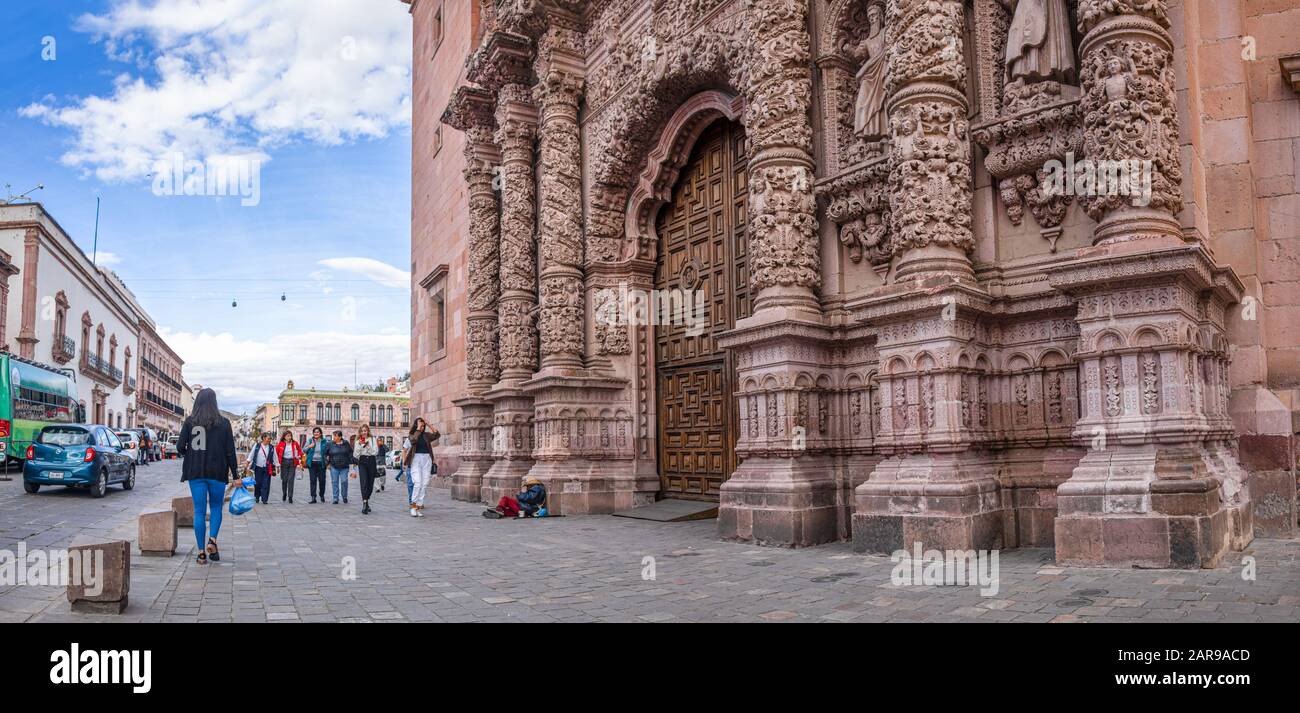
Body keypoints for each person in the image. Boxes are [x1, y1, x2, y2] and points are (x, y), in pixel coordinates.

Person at [177, 388, 240, 564]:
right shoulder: (224, 423)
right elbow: (230, 452)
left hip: (196, 472)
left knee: (199, 511)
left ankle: (201, 553)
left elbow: (180, 447)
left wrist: (192, 453)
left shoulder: (190, 422)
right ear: (214, 402)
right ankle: (212, 539)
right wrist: (236, 475)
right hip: (217, 472)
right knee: (216, 508)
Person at [403, 417, 440, 518]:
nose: (422, 427)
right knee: (417, 483)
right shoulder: (412, 435)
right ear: (416, 425)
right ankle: (413, 506)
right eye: (420, 425)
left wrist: (429, 424)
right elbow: (414, 440)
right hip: (416, 460)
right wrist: (418, 429)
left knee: (424, 484)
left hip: (426, 459)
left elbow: (437, 435)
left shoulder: (426, 436)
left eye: (423, 425)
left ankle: (418, 507)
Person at [351, 425, 380, 515]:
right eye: (362, 431)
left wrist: (367, 446)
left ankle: (367, 500)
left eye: (365, 431)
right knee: (363, 483)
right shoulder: (357, 441)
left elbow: (375, 452)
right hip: (362, 461)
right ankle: (364, 503)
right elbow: (356, 455)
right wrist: (360, 445)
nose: (364, 432)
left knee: (370, 484)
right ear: (360, 432)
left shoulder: (372, 439)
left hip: (371, 461)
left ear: (368, 431)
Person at [246, 433, 277, 504]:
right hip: (258, 467)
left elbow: (275, 457)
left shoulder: (272, 447)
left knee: (266, 484)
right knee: (258, 483)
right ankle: (257, 496)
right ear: (263, 438)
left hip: (267, 468)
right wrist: (247, 463)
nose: (269, 440)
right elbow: (251, 454)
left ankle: (264, 499)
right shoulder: (257, 446)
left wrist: (277, 466)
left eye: (270, 438)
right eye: (268, 438)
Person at [325, 430, 353, 505]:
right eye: (333, 436)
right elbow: (325, 454)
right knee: (334, 482)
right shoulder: (330, 444)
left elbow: (350, 453)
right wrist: (327, 463)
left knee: (344, 481)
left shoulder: (346, 443)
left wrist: (353, 463)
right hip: (334, 466)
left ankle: (344, 496)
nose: (334, 437)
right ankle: (335, 498)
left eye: (335, 436)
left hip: (344, 467)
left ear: (340, 437)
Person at [303, 427, 329, 504]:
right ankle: (313, 497)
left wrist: (328, 459)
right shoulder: (310, 441)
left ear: (320, 433)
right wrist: (310, 446)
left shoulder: (324, 442)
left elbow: (328, 452)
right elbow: (303, 450)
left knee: (322, 480)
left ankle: (322, 495)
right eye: (315, 432)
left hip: (321, 463)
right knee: (313, 480)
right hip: (312, 463)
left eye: (318, 432)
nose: (316, 433)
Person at [276, 430, 303, 503]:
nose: (289, 437)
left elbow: (300, 451)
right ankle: (284, 493)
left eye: (290, 436)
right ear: (284, 437)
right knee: (284, 480)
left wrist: (299, 456)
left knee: (291, 480)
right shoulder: (281, 444)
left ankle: (290, 496)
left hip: (292, 462)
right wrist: (277, 464)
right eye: (287, 436)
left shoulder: (295, 443)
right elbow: (276, 453)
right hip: (284, 462)